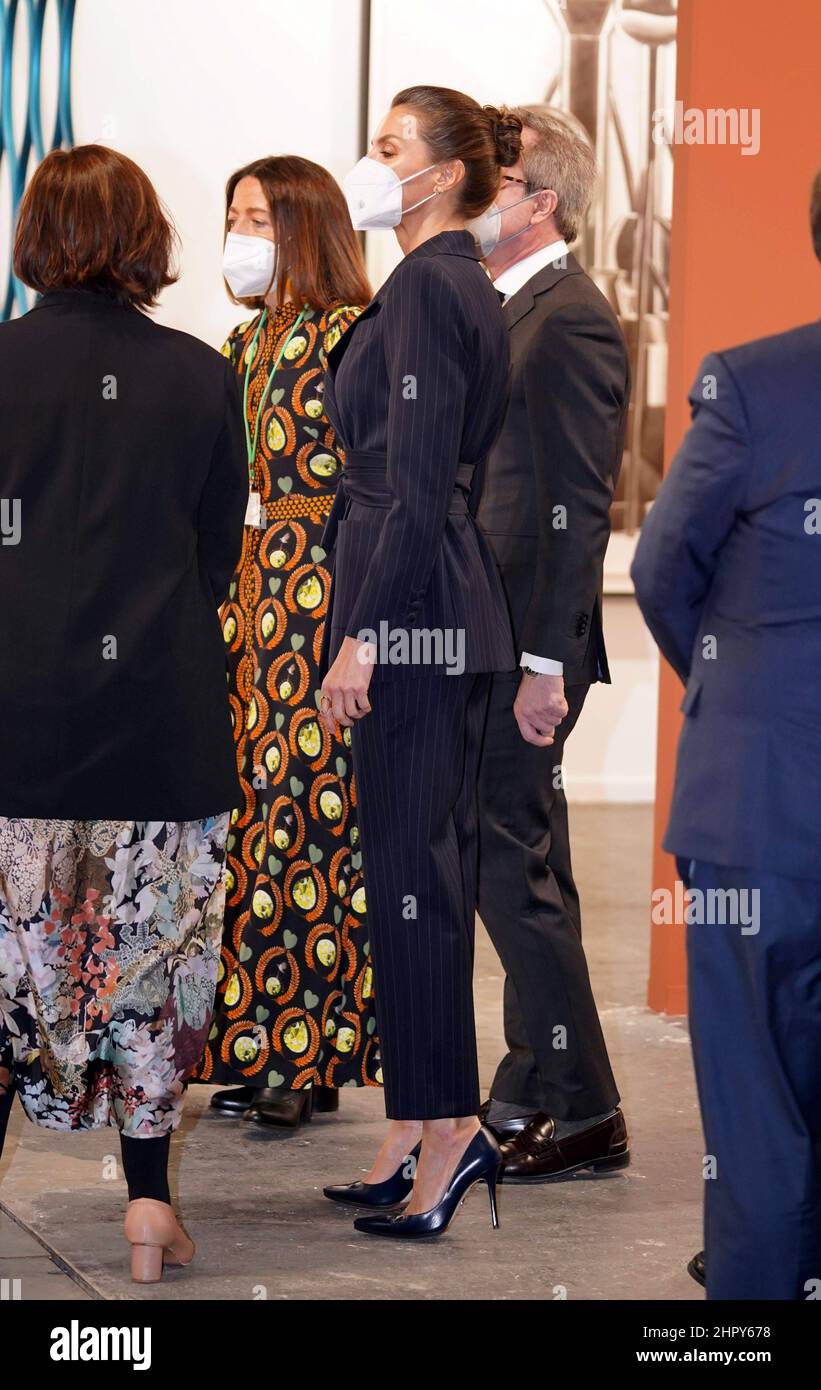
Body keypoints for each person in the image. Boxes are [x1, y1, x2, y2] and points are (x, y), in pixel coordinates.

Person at [0, 146, 246, 1283]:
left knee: (11, 963)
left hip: (20, 722)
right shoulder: (204, 376)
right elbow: (211, 561)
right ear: (148, 238)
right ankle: (148, 1212)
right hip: (159, 719)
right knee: (152, 966)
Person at [318, 85, 519, 1240]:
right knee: (406, 875)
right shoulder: (427, 284)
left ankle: (449, 1132)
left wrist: (363, 633)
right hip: (421, 610)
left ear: (442, 175)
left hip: (412, 621)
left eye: (390, 147)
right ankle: (420, 1122)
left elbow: (417, 486)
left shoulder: (436, 291)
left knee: (418, 879)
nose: (371, 161)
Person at [631, 171, 821, 1300]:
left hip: (756, 799)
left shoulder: (750, 383)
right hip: (755, 795)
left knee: (752, 1095)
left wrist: (733, 674)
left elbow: (662, 567)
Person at [193, 157, 381, 1129]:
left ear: (304, 225)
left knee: (306, 820)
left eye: (257, 216)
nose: (240, 232)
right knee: (246, 824)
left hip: (314, 596)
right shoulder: (239, 339)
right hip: (243, 597)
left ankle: (306, 1054)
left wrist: (357, 627)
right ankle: (251, 1040)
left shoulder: (353, 337)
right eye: (231, 216)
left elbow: (377, 489)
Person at [471, 108, 631, 1180]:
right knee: (529, 873)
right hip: (490, 641)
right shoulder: (514, 306)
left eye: (498, 176)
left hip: (520, 652)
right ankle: (538, 1086)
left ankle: (581, 1108)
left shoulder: (567, 315)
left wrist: (544, 664)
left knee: (508, 873)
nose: (477, 189)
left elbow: (576, 501)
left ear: (543, 203)